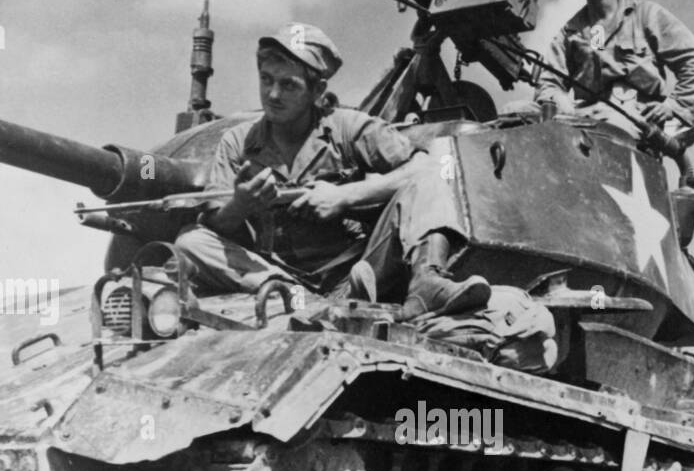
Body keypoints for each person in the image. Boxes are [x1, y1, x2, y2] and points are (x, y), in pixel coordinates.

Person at [175, 23, 489, 319]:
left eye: (288, 85)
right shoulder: (237, 143)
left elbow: (429, 166)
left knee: (431, 176)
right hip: (279, 279)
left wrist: (343, 196)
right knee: (190, 241)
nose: (272, 94)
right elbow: (215, 222)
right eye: (266, 79)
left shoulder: (346, 128)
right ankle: (303, 303)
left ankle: (426, 285)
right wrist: (239, 206)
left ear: (317, 90)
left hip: (359, 277)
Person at [534, 0, 694, 139]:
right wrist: (557, 97)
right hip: (583, 114)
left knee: (610, 128)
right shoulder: (571, 32)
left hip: (633, 117)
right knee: (514, 112)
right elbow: (548, 82)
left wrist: (675, 106)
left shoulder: (645, 15)